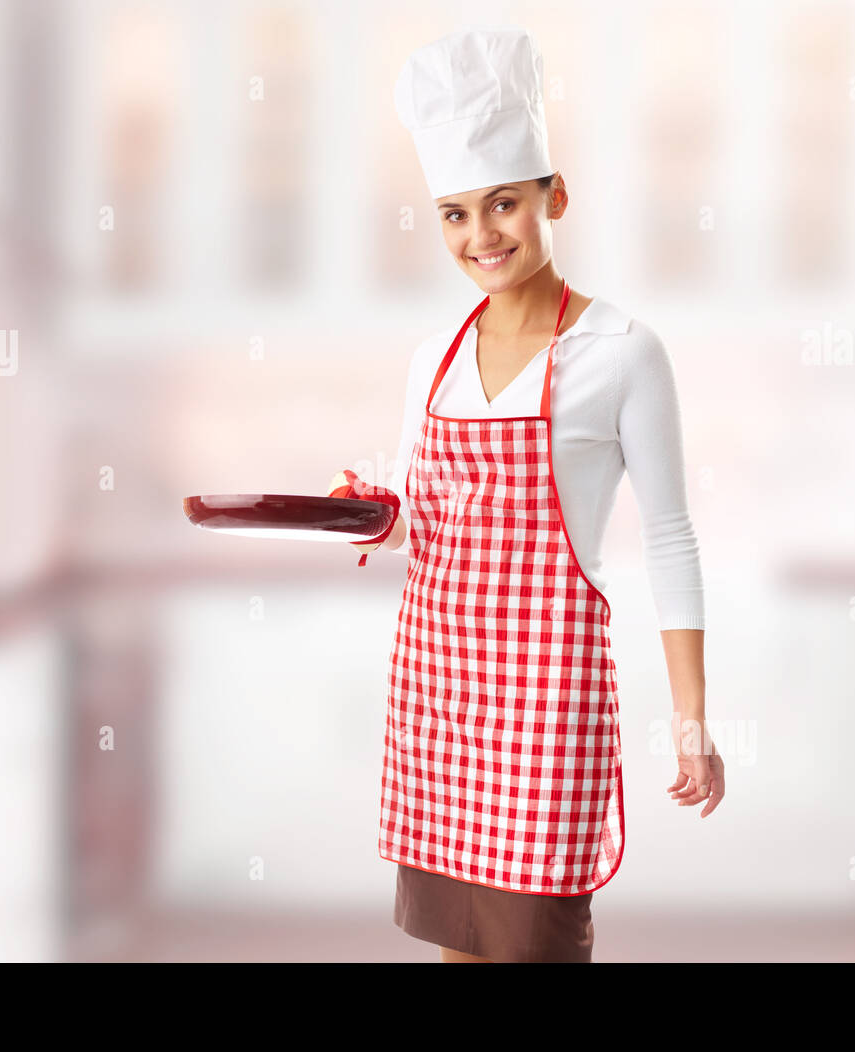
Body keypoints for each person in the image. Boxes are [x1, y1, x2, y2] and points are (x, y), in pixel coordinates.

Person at [332, 25, 724, 963]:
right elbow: (413, 515)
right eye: (455, 215)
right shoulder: (435, 358)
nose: (481, 236)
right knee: (457, 953)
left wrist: (693, 720)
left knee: (537, 950)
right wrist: (356, 509)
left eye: (502, 204)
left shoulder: (624, 352)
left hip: (546, 713)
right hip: (442, 704)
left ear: (555, 195)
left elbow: (669, 537)